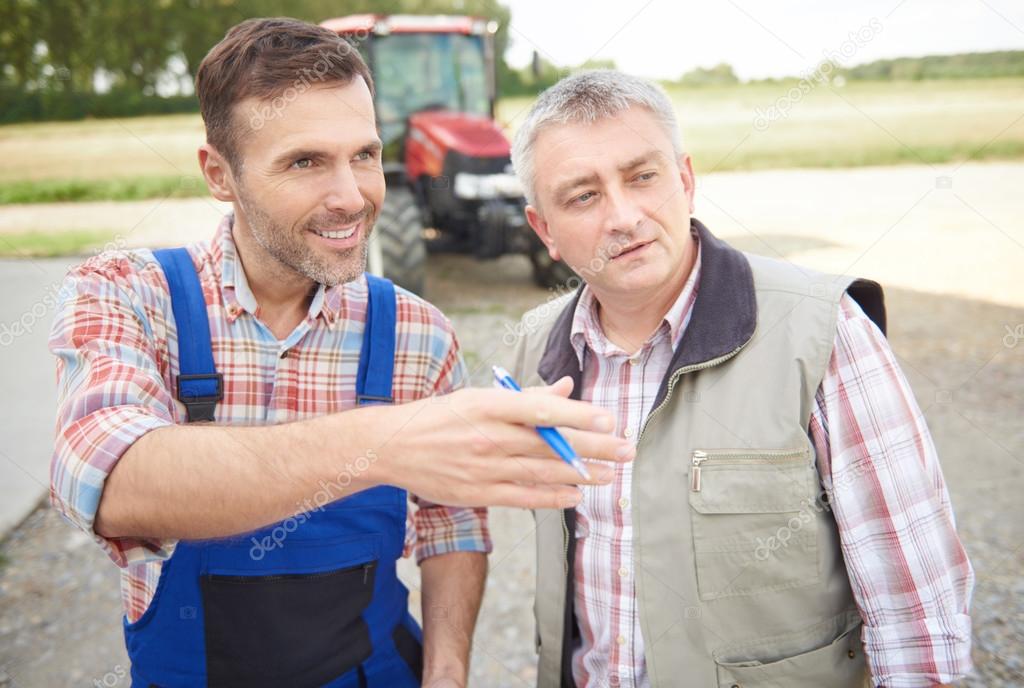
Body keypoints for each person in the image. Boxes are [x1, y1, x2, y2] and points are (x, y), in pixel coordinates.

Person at [47, 20, 634, 688]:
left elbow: (451, 530)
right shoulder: (130, 295)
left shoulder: (416, 332)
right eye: (305, 162)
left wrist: (446, 674)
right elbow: (106, 481)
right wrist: (388, 440)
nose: (353, 196)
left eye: (363, 154)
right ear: (219, 173)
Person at [507, 70, 973, 688]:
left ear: (686, 180)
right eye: (583, 196)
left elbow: (915, 617)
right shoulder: (533, 350)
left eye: (643, 176)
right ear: (545, 232)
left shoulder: (824, 332)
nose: (624, 217)